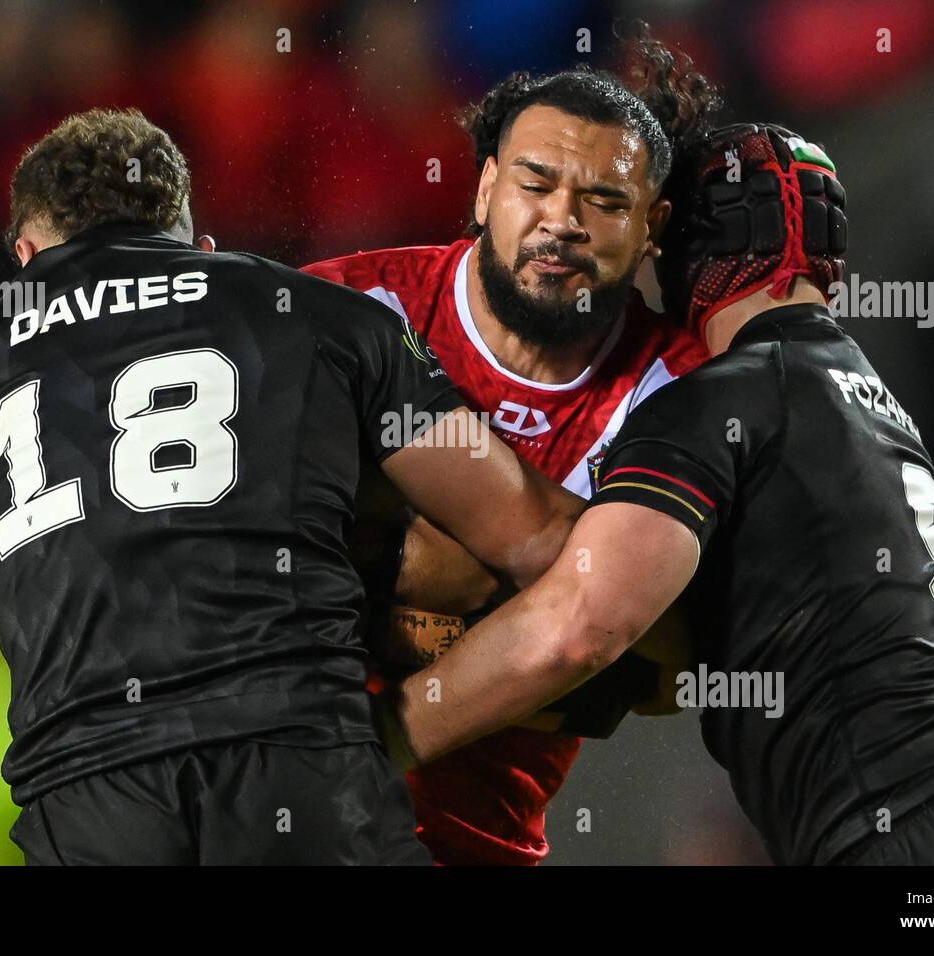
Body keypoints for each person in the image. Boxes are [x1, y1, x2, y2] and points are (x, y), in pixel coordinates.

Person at [385, 122, 934, 865]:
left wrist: (374, 742)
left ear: (685, 251)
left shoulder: (723, 398)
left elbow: (578, 624)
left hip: (926, 829)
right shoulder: (866, 396)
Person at [0, 108, 580, 865]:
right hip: (293, 757)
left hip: (87, 793)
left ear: (26, 255)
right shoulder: (318, 313)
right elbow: (530, 535)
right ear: (199, 245)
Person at [302, 37, 719, 865]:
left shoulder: (686, 392)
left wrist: (400, 554)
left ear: (653, 227)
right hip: (270, 829)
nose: (561, 219)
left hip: (474, 845)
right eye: (535, 182)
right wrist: (533, 604)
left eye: (603, 199)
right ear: (487, 187)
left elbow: (685, 666)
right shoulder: (350, 308)